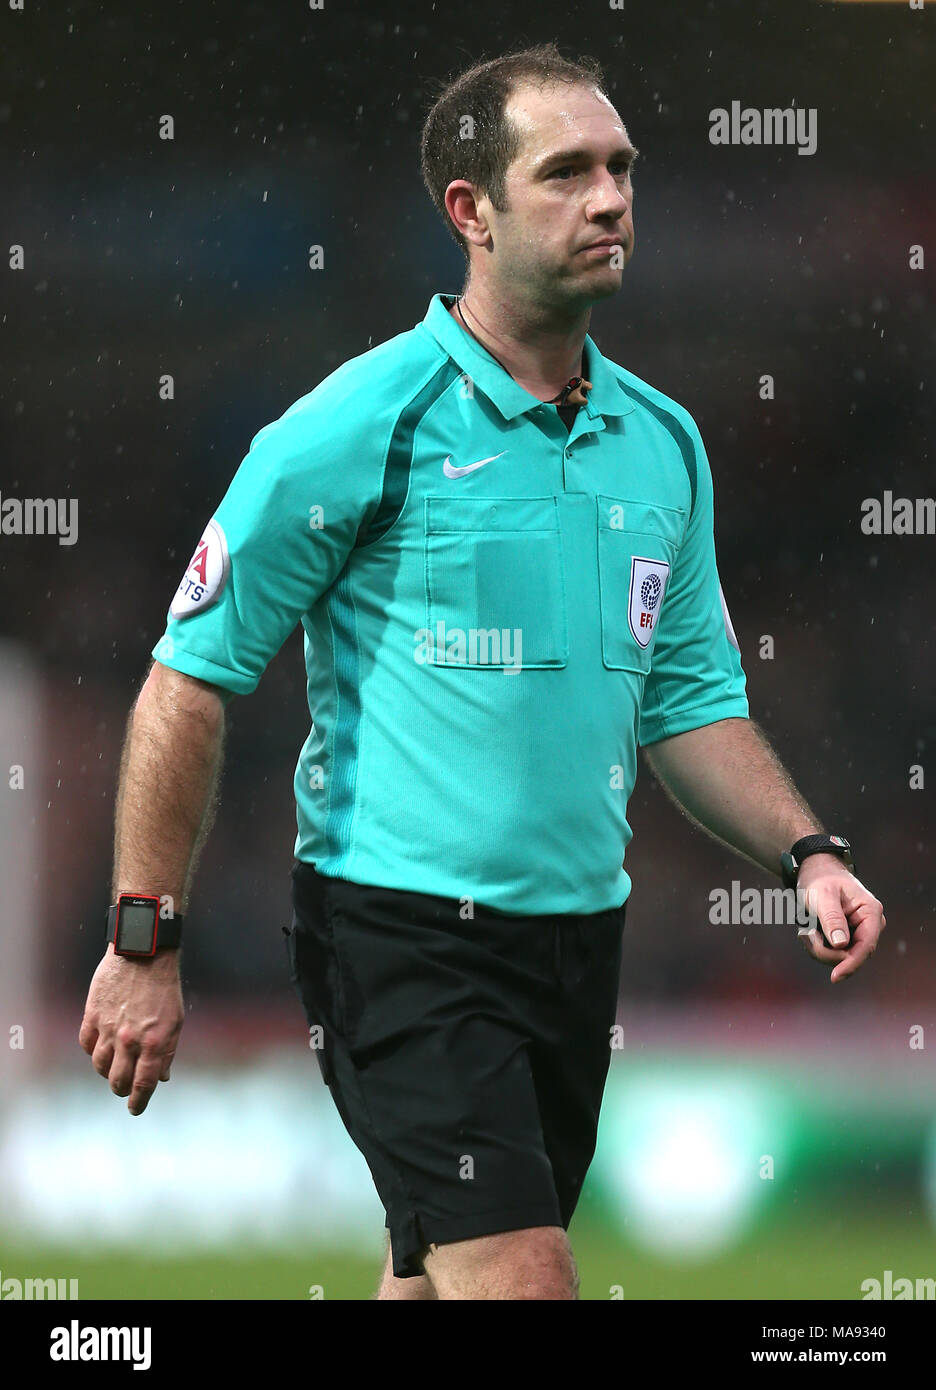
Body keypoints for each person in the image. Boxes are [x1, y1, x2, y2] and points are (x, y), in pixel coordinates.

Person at [79, 43, 886, 1301]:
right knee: (524, 1280)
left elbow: (690, 703)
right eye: (565, 172)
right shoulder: (357, 425)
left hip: (577, 942)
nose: (611, 197)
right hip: (400, 934)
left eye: (621, 168)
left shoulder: (665, 443)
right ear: (472, 211)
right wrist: (145, 940)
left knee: (432, 1280)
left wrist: (807, 851)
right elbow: (190, 675)